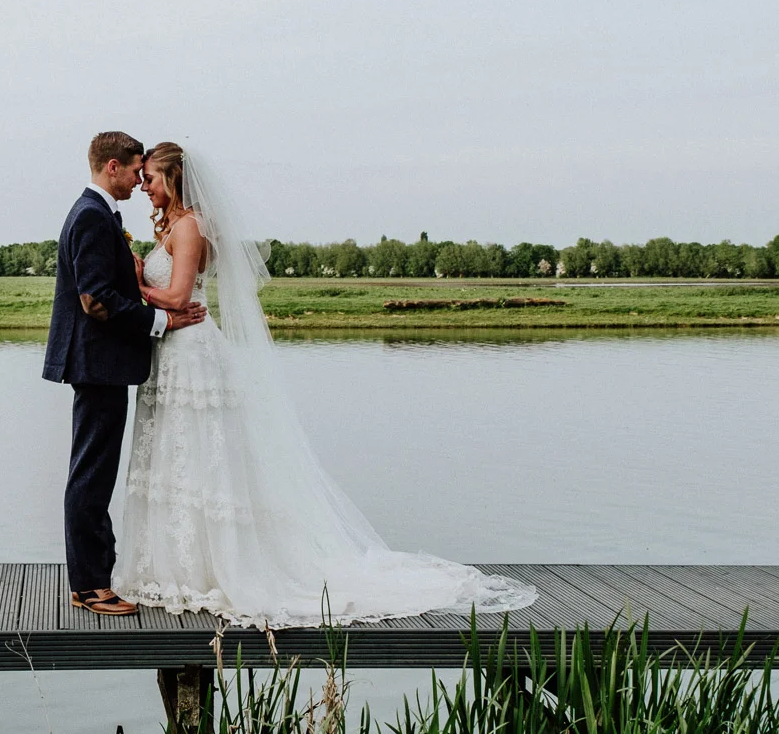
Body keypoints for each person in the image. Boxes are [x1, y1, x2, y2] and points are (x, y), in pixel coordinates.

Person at [112, 141, 537, 627]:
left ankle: (212, 569)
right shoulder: (176, 225)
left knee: (200, 458)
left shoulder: (190, 227)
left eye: (150, 178)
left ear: (173, 178)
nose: (144, 186)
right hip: (172, 351)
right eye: (142, 178)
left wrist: (137, 284)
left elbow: (178, 295)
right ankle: (176, 567)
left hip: (192, 354)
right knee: (176, 455)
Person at [42, 132, 207, 616]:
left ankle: (92, 577)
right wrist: (162, 320)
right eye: (136, 170)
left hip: (101, 363)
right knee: (92, 474)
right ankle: (92, 585)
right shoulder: (92, 216)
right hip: (98, 363)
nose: (139, 180)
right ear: (112, 167)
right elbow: (94, 300)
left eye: (147, 173)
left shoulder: (95, 213)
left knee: (93, 470)